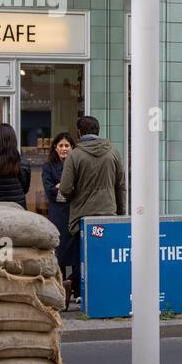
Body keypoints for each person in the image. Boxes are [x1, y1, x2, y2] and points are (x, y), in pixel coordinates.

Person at [58, 115, 127, 299]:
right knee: (104, 255)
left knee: (83, 254)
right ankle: (104, 293)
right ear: (98, 131)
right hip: (108, 214)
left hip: (82, 216)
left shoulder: (75, 155)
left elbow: (64, 188)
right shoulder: (113, 152)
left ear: (80, 132)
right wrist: (120, 213)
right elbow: (120, 185)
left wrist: (75, 197)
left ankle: (79, 291)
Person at [43, 132, 79, 302]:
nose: (64, 149)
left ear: (72, 148)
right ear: (55, 148)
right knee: (60, 252)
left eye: (67, 146)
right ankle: (61, 290)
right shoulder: (48, 166)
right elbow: (49, 190)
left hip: (74, 211)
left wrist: (61, 187)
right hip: (57, 213)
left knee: (77, 252)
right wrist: (66, 188)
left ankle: (78, 289)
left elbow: (79, 189)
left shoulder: (78, 164)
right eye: (61, 146)